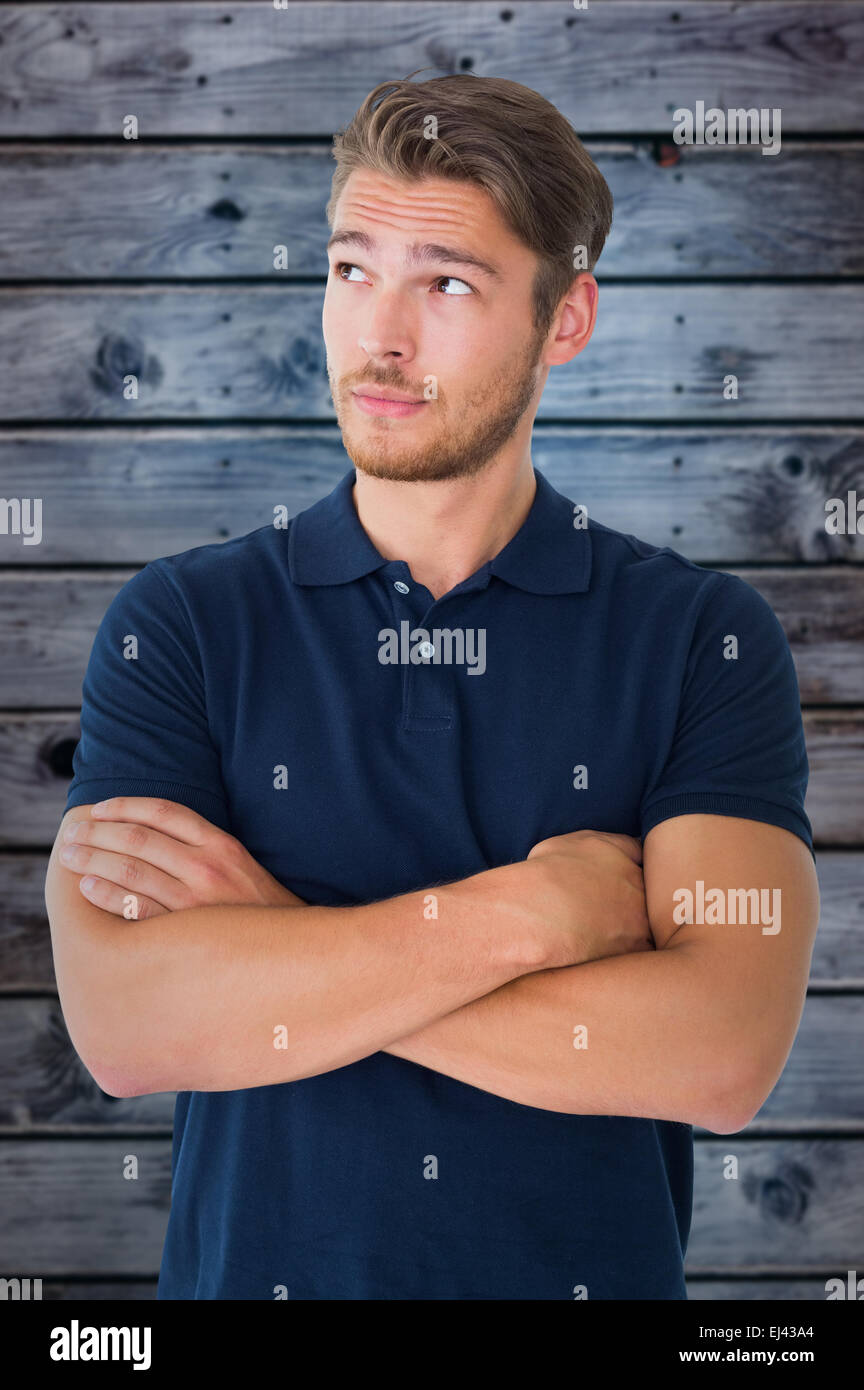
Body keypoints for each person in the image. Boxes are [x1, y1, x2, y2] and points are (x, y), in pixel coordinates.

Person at [45, 75, 819, 1300]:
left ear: (564, 321)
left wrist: (275, 945)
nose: (378, 337)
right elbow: (128, 1029)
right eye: (353, 269)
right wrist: (531, 920)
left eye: (446, 282)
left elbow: (720, 1055)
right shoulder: (183, 625)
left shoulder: (699, 639)